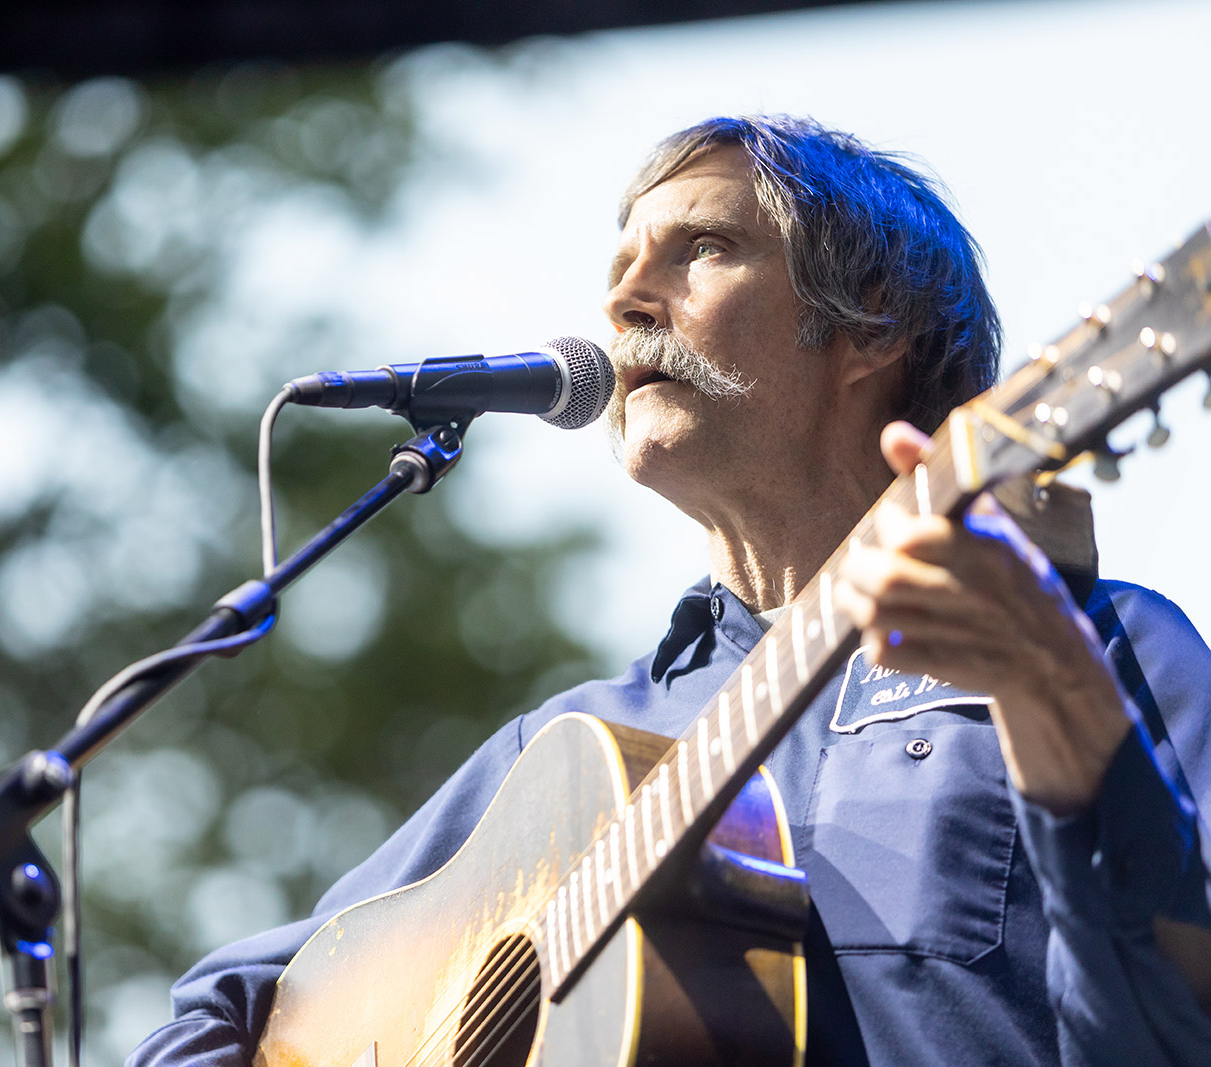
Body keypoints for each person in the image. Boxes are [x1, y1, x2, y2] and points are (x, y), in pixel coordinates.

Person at [128, 116, 1211, 1066]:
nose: (624, 296)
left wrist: (1055, 705)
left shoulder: (1101, 650)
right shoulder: (568, 755)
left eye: (701, 247)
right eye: (623, 260)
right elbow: (235, 1000)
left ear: (873, 324)